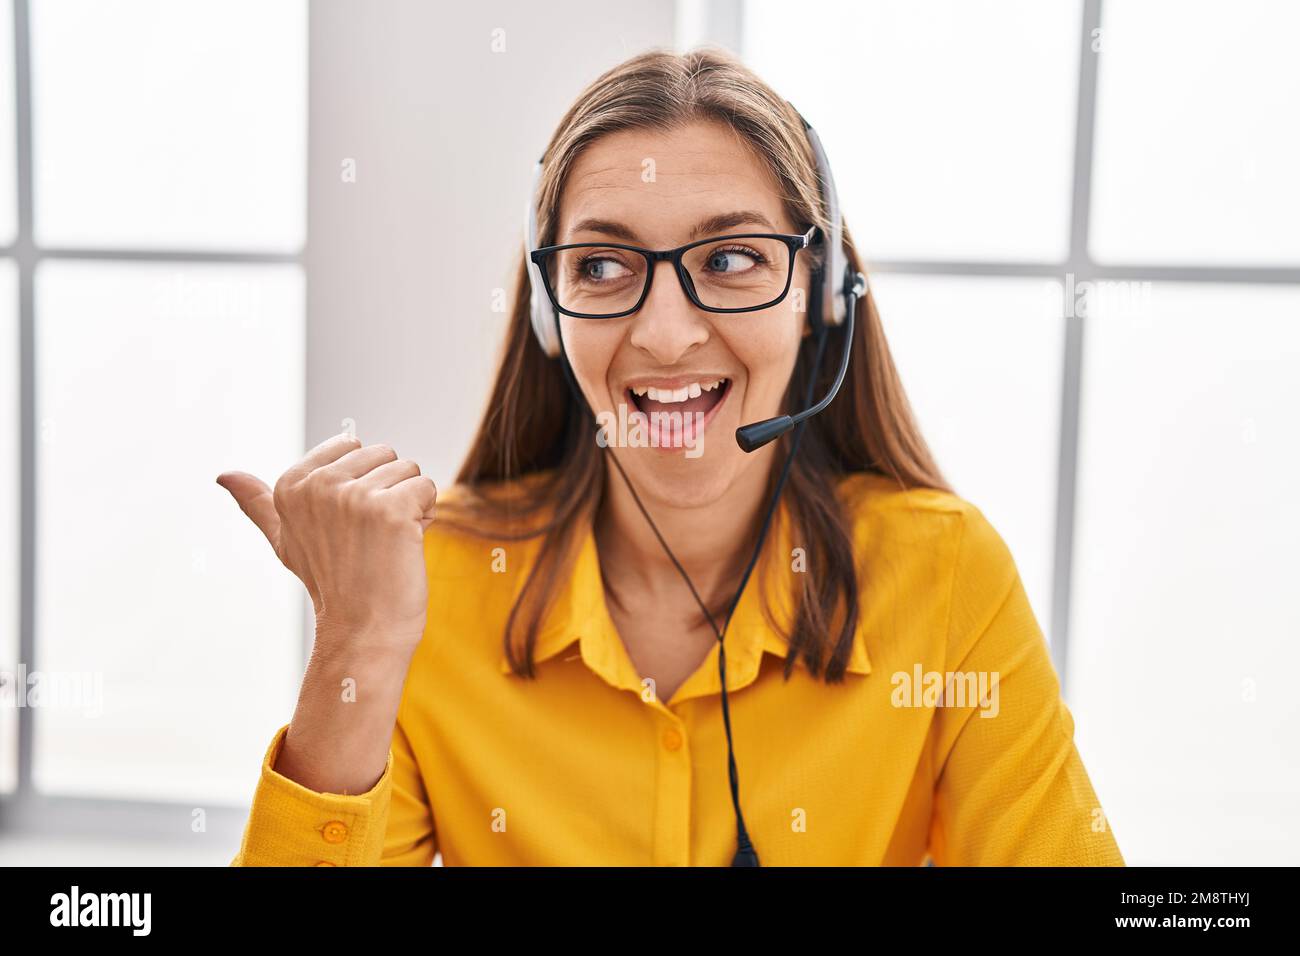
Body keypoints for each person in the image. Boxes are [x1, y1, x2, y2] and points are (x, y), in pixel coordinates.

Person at [219, 46, 1123, 867]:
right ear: (549, 310)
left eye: (731, 257)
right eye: (603, 267)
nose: (664, 333)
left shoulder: (944, 574)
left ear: (822, 294)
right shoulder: (436, 585)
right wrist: (359, 644)